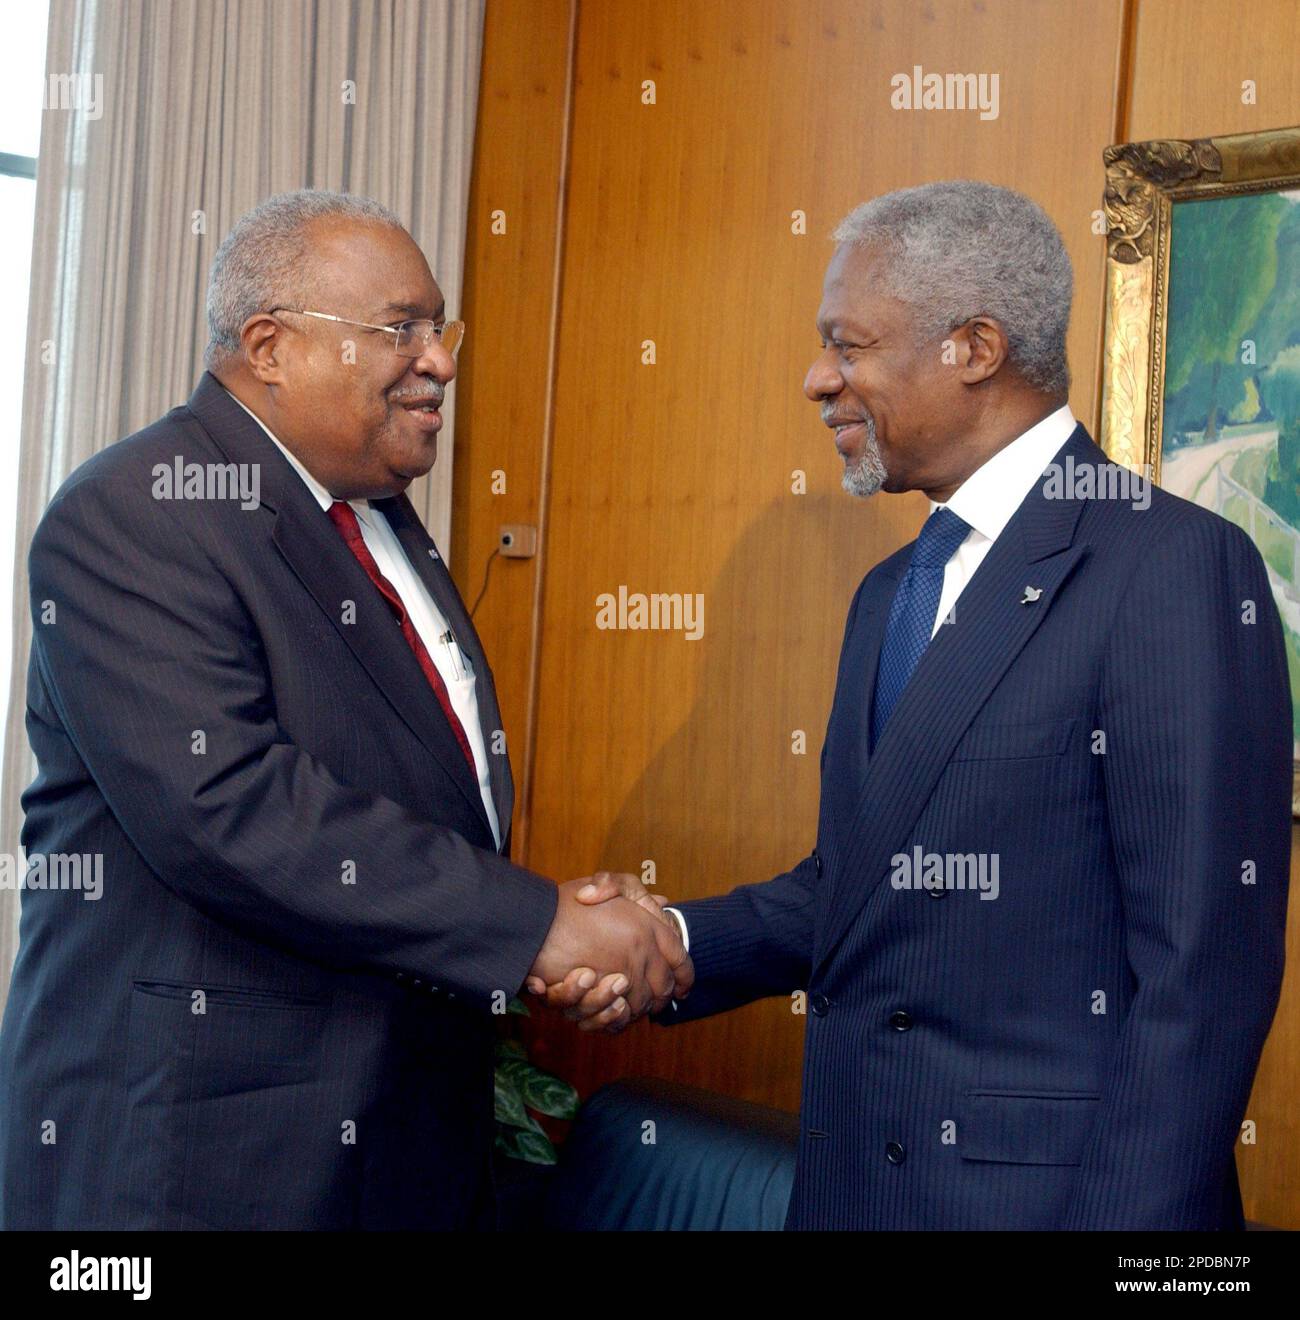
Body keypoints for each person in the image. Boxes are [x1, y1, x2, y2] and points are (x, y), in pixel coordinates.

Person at [537, 180, 1291, 1230]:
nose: (816, 381)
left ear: (973, 349)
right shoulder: (891, 592)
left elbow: (1200, 982)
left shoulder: (1168, 565)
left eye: (847, 346)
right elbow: (857, 885)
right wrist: (670, 939)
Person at [0, 190, 690, 1230]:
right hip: (207, 1153)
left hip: (396, 1133)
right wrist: (534, 925)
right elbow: (228, 807)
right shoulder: (138, 511)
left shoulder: (380, 521)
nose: (442, 362)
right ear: (271, 346)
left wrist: (541, 924)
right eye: (400, 329)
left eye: (440, 329)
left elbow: (416, 787)